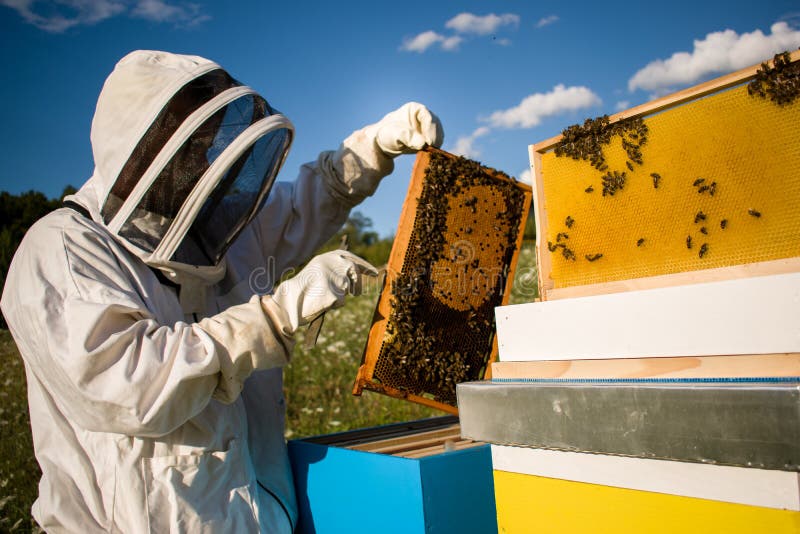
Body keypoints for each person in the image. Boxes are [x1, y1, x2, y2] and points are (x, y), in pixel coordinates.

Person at [0, 50, 443, 533]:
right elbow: (127, 385)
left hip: (263, 515)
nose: (204, 160)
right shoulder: (63, 249)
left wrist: (373, 148)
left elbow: (301, 206)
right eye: (190, 146)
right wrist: (273, 319)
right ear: (139, 150)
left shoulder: (216, 225)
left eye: (209, 144)